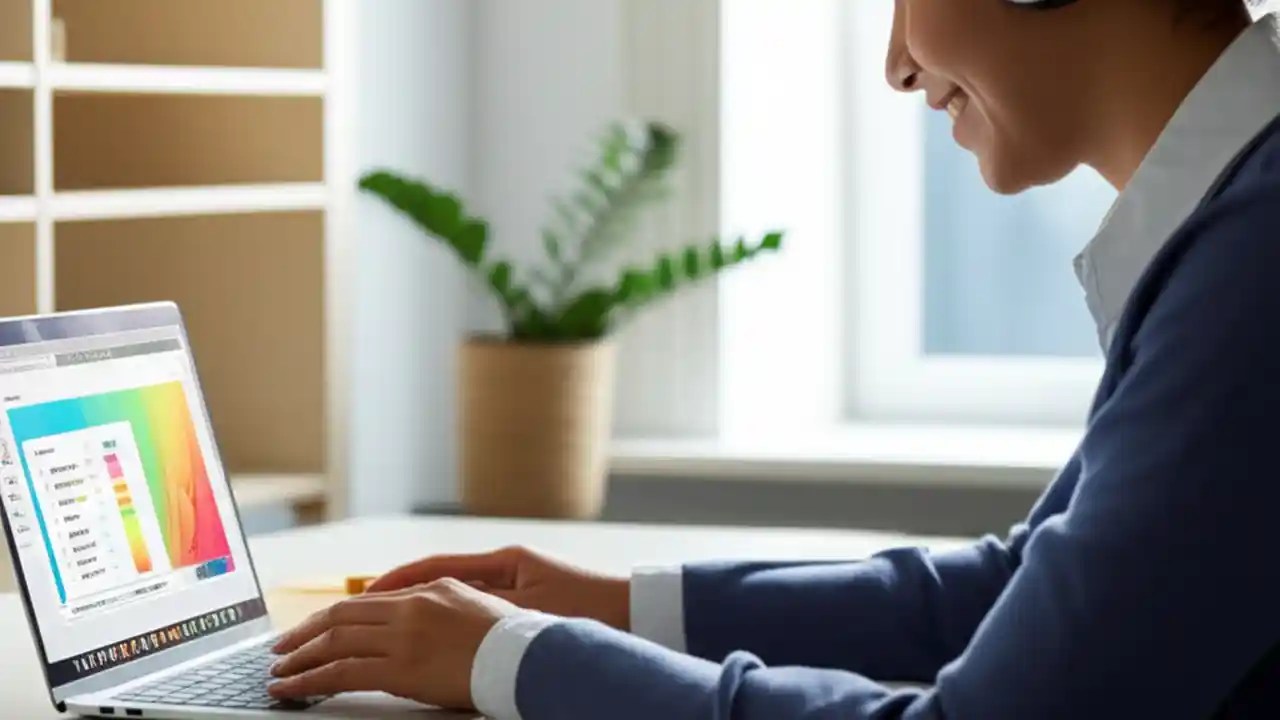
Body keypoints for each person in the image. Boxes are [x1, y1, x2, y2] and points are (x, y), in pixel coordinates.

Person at [268, 0, 1280, 717]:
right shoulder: (1235, 232)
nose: (897, 64)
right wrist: (613, 608)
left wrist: (521, 660)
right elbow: (1017, 589)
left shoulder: (1255, 269)